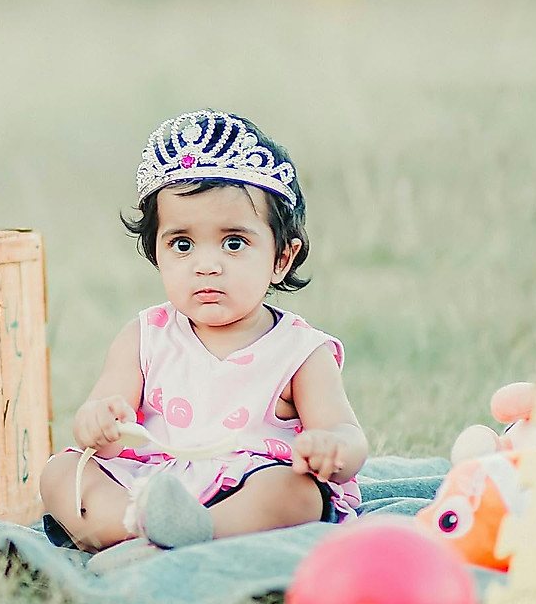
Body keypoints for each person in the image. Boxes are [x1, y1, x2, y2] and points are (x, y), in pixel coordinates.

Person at [39, 110, 368, 572]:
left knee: (295, 493)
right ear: (156, 251)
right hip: (151, 486)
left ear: (281, 258)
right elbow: (101, 420)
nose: (206, 265)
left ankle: (190, 537)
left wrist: (333, 450)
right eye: (182, 244)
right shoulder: (145, 335)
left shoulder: (300, 352)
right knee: (61, 471)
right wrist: (98, 420)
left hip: (246, 487)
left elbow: (347, 434)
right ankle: (137, 528)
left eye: (234, 243)